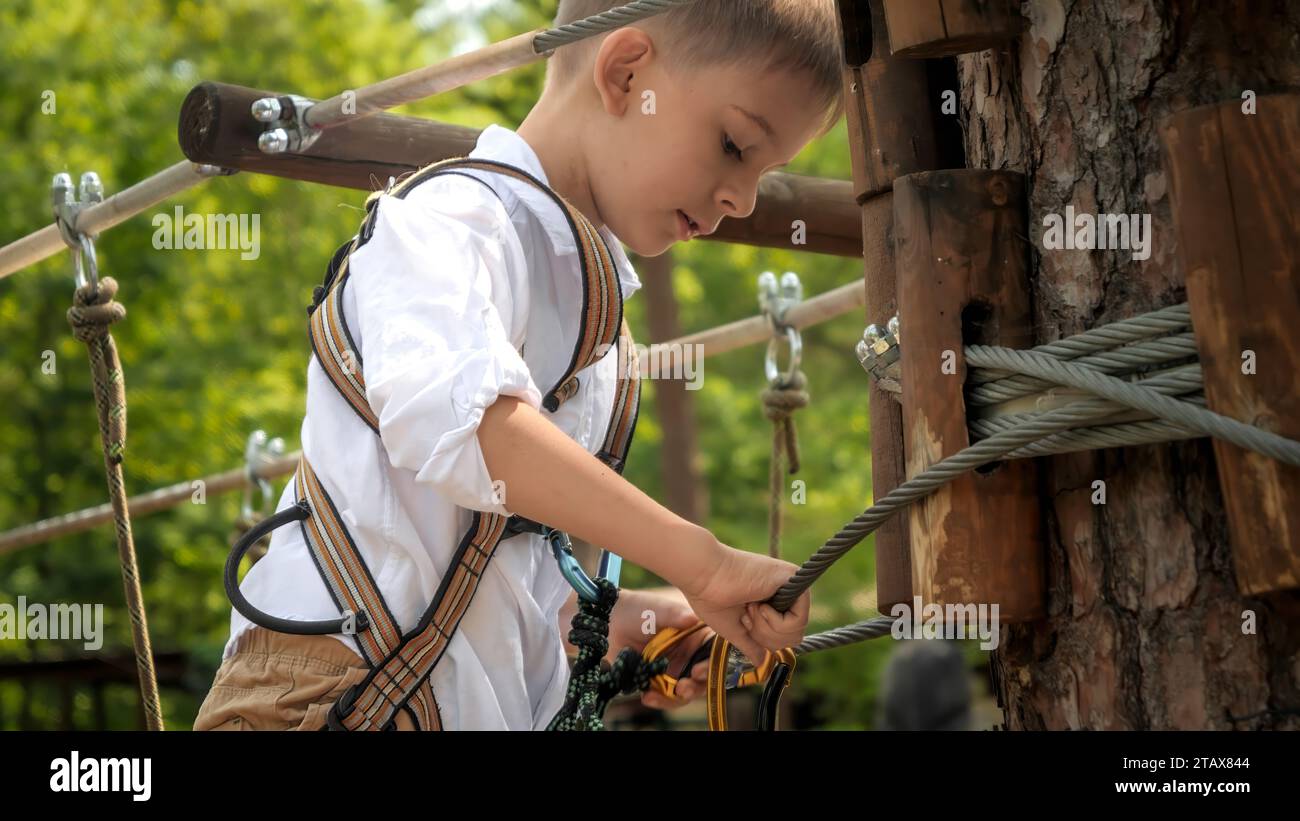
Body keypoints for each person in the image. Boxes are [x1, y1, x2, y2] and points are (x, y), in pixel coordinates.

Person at [194, 0, 845, 731]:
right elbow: (467, 426)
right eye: (734, 145)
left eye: (767, 172)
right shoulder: (451, 224)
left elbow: (494, 581)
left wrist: (622, 620)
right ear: (627, 75)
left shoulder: (592, 320)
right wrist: (703, 559)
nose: (742, 197)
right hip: (321, 704)